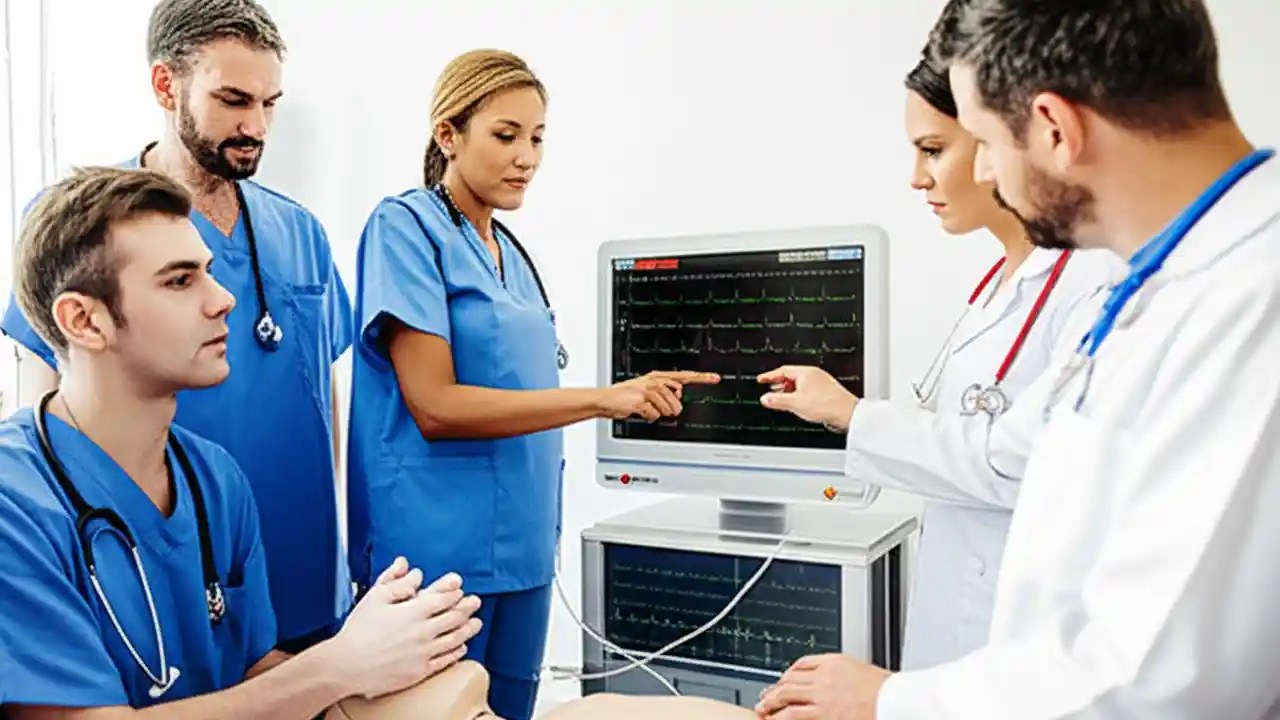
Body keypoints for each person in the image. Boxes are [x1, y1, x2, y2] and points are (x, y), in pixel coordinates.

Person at [756, 0, 1280, 717]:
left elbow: (1160, 680)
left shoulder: (1252, 300)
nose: (991, 173)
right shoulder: (1165, 285)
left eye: (984, 141)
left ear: (1055, 129)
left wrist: (892, 701)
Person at [0, 166, 482, 717]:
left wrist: (385, 662)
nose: (224, 298)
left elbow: (252, 673)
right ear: (84, 320)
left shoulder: (215, 480)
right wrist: (338, 665)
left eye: (208, 271)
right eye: (180, 281)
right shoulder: (16, 507)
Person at [346, 49, 718, 720]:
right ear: (447, 136)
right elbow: (434, 406)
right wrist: (605, 397)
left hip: (521, 553)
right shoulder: (406, 229)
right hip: (436, 556)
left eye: (538, 137)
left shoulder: (510, 253)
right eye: (506, 135)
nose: (528, 156)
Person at [0, 0, 354, 655]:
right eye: (233, 100)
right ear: (166, 85)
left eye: (270, 104)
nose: (256, 126)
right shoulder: (85, 232)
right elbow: (46, 411)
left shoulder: (301, 232)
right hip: (154, 563)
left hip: (299, 569)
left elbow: (322, 400)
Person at [756, 51, 1123, 669]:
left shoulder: (1096, 280)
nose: (917, 178)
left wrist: (856, 416)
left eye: (933, 149)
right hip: (957, 613)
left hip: (1020, 634)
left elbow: (1023, 463)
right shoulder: (996, 288)